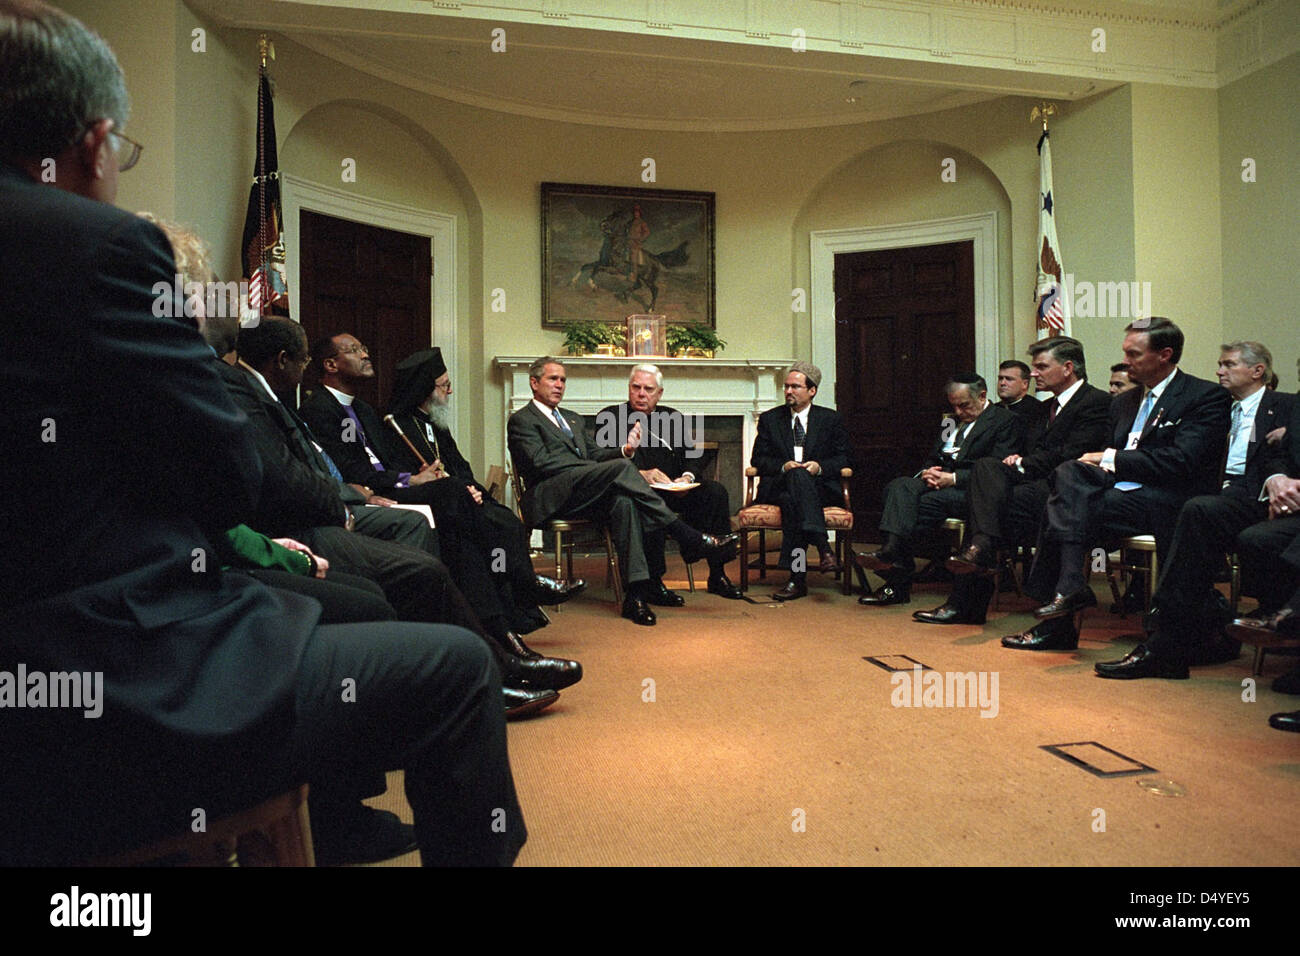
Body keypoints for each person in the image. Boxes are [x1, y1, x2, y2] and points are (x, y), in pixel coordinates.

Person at [0, 0, 524, 866]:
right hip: (116, 671)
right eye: (122, 152)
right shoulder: (104, 249)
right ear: (94, 144)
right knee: (453, 671)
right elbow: (225, 478)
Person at [300, 333, 584, 649]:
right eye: (355, 350)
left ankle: (502, 628)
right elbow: (352, 471)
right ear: (330, 365)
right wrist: (409, 480)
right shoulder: (319, 409)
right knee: (455, 495)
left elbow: (390, 463)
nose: (365, 354)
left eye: (364, 348)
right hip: (371, 495)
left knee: (470, 534)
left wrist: (423, 479)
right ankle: (523, 586)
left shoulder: (365, 410)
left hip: (393, 485)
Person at [1002, 318, 1230, 653]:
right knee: (1068, 477)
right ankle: (1069, 590)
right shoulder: (1124, 402)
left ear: (1165, 355)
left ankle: (1061, 617)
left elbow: (1182, 461)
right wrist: (1101, 462)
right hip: (1117, 492)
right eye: (1125, 353)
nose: (1125, 361)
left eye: (1134, 354)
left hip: (1169, 498)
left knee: (1062, 505)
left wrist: (1111, 458)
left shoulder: (1204, 396)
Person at [1094, 341, 1292, 678]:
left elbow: (1285, 455)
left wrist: (1280, 461)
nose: (1219, 371)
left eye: (1228, 365)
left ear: (1257, 371)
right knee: (1171, 504)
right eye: (1220, 364)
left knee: (1196, 510)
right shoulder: (1217, 406)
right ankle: (1195, 623)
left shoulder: (1285, 406)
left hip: (1257, 496)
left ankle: (1166, 634)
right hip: (1213, 495)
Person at [507, 357, 738, 626]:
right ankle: (689, 537)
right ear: (534, 383)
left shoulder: (572, 418)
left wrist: (626, 451)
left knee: (626, 501)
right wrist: (614, 466)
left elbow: (596, 454)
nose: (559, 385)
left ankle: (636, 594)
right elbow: (541, 463)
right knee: (624, 474)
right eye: (553, 379)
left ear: (659, 393)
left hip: (606, 491)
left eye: (563, 380)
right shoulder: (522, 420)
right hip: (555, 495)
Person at [384, 346, 581, 641]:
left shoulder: (436, 423)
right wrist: (445, 486)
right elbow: (400, 475)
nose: (450, 391)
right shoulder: (396, 427)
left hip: (460, 497)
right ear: (425, 389)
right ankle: (525, 591)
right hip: (433, 504)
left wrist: (472, 491)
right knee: (496, 529)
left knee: (508, 521)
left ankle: (521, 600)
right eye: (445, 385)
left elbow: (460, 467)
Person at [915, 337, 1111, 625]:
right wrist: (1020, 459)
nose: (1034, 373)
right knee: (986, 470)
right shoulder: (1045, 407)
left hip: (1064, 489)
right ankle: (979, 554)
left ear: (1068, 368)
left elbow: (1072, 454)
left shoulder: (1096, 402)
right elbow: (1032, 450)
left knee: (986, 506)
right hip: (1030, 482)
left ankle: (966, 599)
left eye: (1041, 367)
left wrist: (1023, 462)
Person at [858, 373, 1018, 607]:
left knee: (907, 509)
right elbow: (935, 456)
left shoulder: (1004, 421)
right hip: (938, 484)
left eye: (964, 405)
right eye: (954, 406)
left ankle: (896, 578)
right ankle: (891, 552)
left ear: (982, 396)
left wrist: (952, 479)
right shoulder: (950, 422)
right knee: (899, 486)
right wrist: (927, 472)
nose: (958, 412)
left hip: (972, 492)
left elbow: (997, 469)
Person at [596, 364, 744, 604]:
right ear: (629, 388)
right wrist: (640, 474)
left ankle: (717, 574)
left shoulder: (673, 417)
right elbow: (601, 462)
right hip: (636, 493)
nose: (641, 394)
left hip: (674, 490)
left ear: (659, 393)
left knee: (715, 492)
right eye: (636, 387)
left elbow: (693, 458)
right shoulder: (610, 417)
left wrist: (686, 479)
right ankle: (654, 582)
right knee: (648, 505)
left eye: (648, 389)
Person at [750, 362, 854, 601]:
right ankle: (824, 548)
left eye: (795, 387)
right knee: (795, 478)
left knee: (792, 501)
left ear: (812, 390)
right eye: (786, 386)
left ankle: (797, 579)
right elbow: (758, 459)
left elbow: (845, 458)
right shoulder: (770, 419)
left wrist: (819, 467)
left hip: (819, 487)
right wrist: (783, 466)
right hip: (779, 485)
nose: (788, 391)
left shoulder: (830, 419)